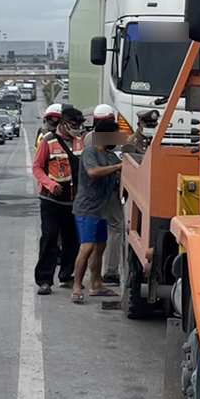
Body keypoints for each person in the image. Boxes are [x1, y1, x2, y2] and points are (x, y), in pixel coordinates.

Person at [32, 105, 85, 294]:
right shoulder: (47, 141)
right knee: (49, 239)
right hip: (51, 201)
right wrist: (49, 184)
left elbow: (111, 141)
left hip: (74, 201)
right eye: (74, 124)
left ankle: (66, 276)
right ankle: (44, 281)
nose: (77, 128)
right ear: (62, 123)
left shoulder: (81, 141)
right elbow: (37, 167)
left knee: (72, 241)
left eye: (80, 124)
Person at [70, 118, 124, 303]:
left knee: (100, 247)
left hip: (102, 209)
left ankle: (96, 284)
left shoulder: (111, 157)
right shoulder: (89, 153)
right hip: (86, 209)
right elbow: (93, 172)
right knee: (87, 247)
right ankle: (77, 285)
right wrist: (118, 167)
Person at [92, 103, 125, 285]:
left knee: (91, 232)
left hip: (91, 193)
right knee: (115, 227)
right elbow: (130, 145)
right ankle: (110, 271)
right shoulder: (108, 139)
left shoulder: (86, 138)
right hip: (108, 189)